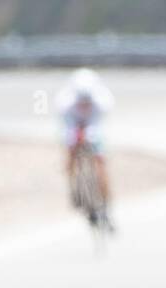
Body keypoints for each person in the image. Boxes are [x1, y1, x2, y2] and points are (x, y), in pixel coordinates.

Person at [55, 68, 115, 229]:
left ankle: (106, 201)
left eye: (87, 102)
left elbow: (96, 129)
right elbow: (68, 131)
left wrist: (91, 141)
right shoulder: (64, 103)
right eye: (81, 102)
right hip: (72, 121)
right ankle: (73, 186)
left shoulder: (103, 102)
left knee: (100, 158)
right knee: (71, 150)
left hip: (92, 122)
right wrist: (73, 143)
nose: (84, 105)